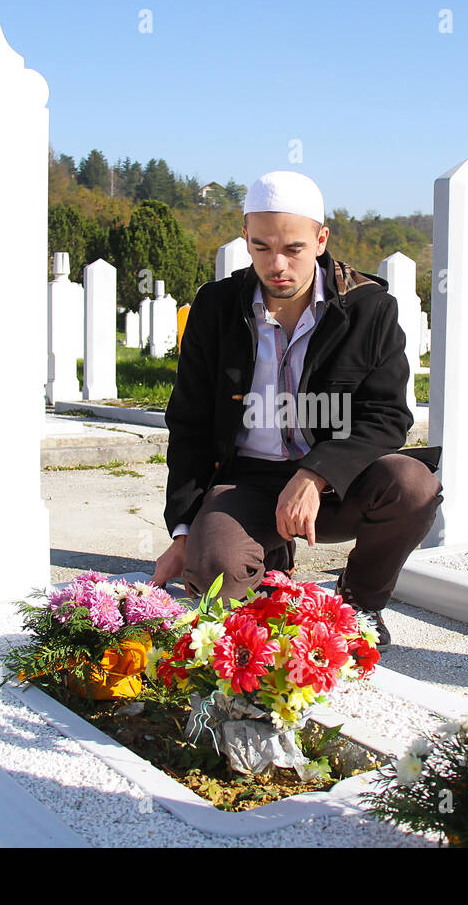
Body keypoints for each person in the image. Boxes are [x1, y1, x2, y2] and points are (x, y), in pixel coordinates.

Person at [149, 170, 442, 649]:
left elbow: (387, 416)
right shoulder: (216, 307)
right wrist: (184, 532)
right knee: (215, 574)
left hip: (334, 484)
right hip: (246, 480)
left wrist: (314, 474)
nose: (277, 264)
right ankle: (270, 572)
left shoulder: (368, 308)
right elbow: (190, 423)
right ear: (245, 237)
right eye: (261, 247)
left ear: (321, 239)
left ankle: (360, 604)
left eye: (294, 249)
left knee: (413, 485)